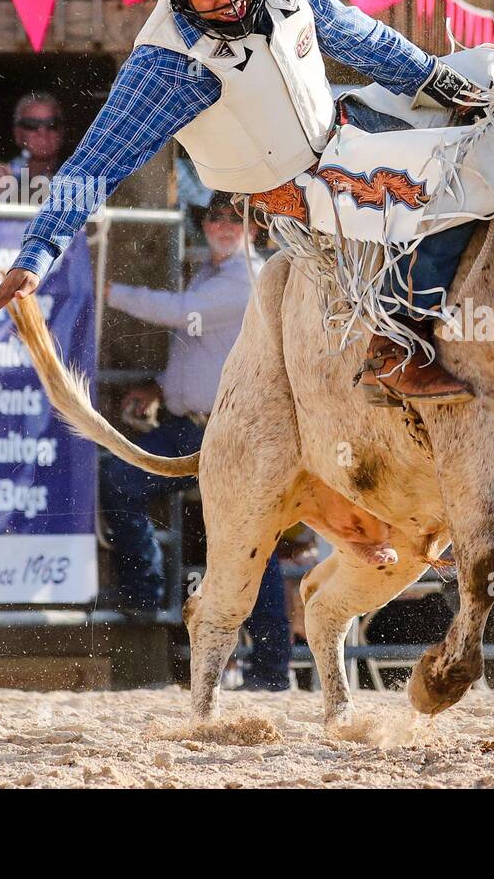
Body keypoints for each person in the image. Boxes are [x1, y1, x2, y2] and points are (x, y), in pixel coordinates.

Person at [0, 0, 487, 407]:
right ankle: (397, 346)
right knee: (443, 196)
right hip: (286, 186)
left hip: (342, 129)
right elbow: (97, 161)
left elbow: (359, 38)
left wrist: (434, 76)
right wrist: (38, 252)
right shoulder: (165, 66)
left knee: (471, 139)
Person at [101, 193, 291, 689]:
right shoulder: (215, 274)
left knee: (249, 542)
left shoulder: (246, 277)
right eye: (217, 217)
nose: (225, 225)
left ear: (253, 230)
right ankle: (150, 598)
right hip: (201, 426)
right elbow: (202, 347)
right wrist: (161, 389)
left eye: (236, 218)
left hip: (231, 432)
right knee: (243, 540)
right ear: (205, 225)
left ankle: (268, 668)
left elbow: (182, 313)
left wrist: (108, 292)